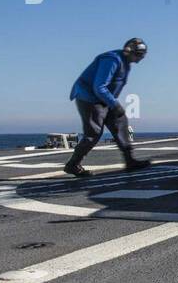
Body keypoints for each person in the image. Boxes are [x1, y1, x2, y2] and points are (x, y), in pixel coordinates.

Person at [63, 38, 152, 178]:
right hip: (89, 97)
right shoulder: (112, 60)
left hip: (104, 98)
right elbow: (99, 86)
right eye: (139, 54)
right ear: (129, 51)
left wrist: (113, 105)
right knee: (94, 132)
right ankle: (72, 165)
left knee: (120, 122)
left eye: (142, 54)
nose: (141, 57)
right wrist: (114, 104)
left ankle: (130, 160)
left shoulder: (126, 63)